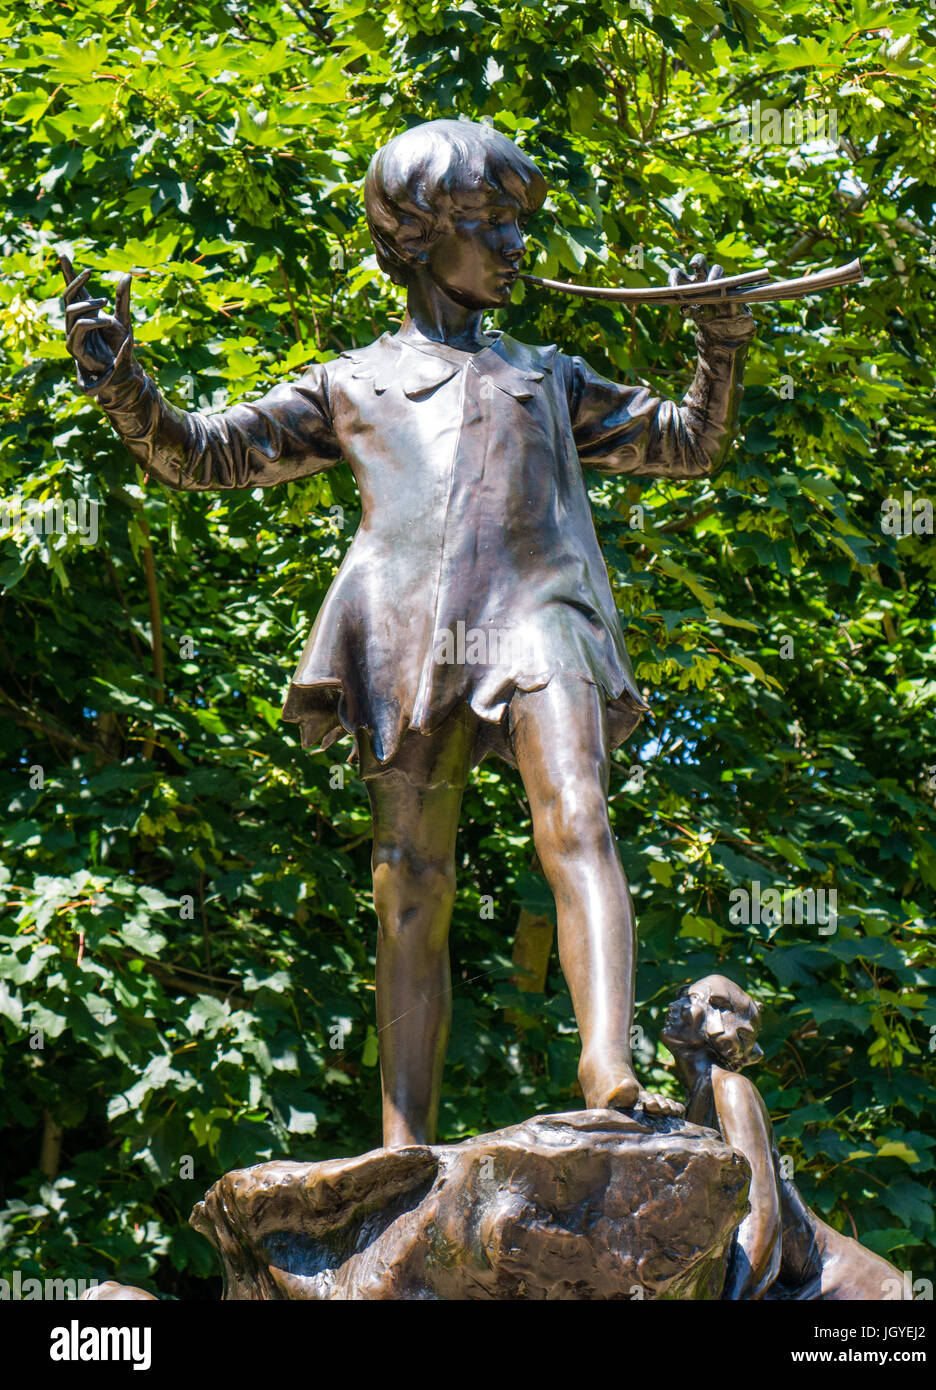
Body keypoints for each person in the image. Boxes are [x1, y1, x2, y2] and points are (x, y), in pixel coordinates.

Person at [62, 118, 755, 1147]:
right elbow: (204, 456)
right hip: (401, 629)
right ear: (420, 235)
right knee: (410, 887)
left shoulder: (548, 377)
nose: (517, 247)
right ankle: (401, 1145)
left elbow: (688, 442)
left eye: (519, 224)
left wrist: (722, 344)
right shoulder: (351, 384)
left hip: (537, 610)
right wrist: (124, 387)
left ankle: (606, 1061)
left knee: (577, 809)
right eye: (489, 224)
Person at [661, 974, 905, 1299]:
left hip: (845, 1286)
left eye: (692, 999)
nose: (675, 1006)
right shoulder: (700, 1100)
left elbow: (761, 1215)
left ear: (719, 1018)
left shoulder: (732, 1089)